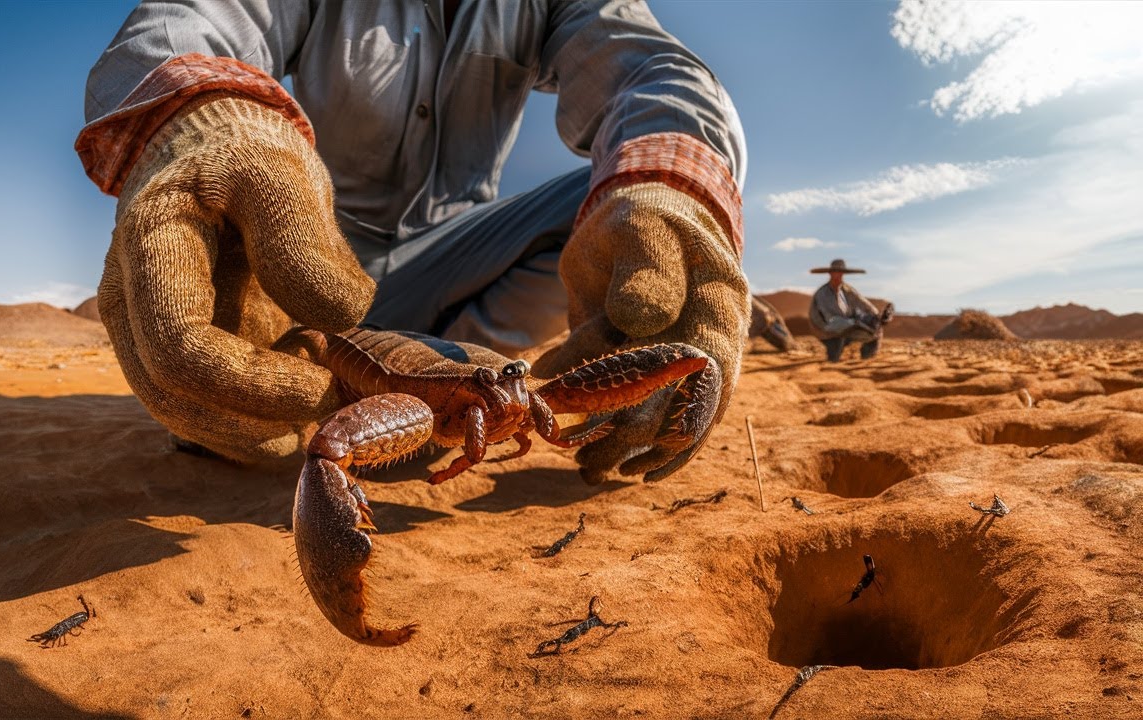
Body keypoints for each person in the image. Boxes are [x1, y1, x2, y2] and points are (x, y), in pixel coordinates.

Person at [76, 1, 751, 483]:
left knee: (631, 200)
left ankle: (450, 382)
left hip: (458, 265)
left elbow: (652, 66)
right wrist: (196, 118)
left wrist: (677, 187)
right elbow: (188, 20)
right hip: (317, 271)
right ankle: (348, 386)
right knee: (236, 354)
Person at [808, 259, 894, 362]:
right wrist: (855, 322)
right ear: (830, 273)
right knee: (835, 353)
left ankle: (866, 360)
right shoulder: (822, 294)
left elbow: (863, 303)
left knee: (875, 333)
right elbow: (830, 320)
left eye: (841, 273)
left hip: (847, 328)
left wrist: (877, 316)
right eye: (836, 272)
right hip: (826, 332)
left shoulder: (847, 290)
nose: (838, 275)